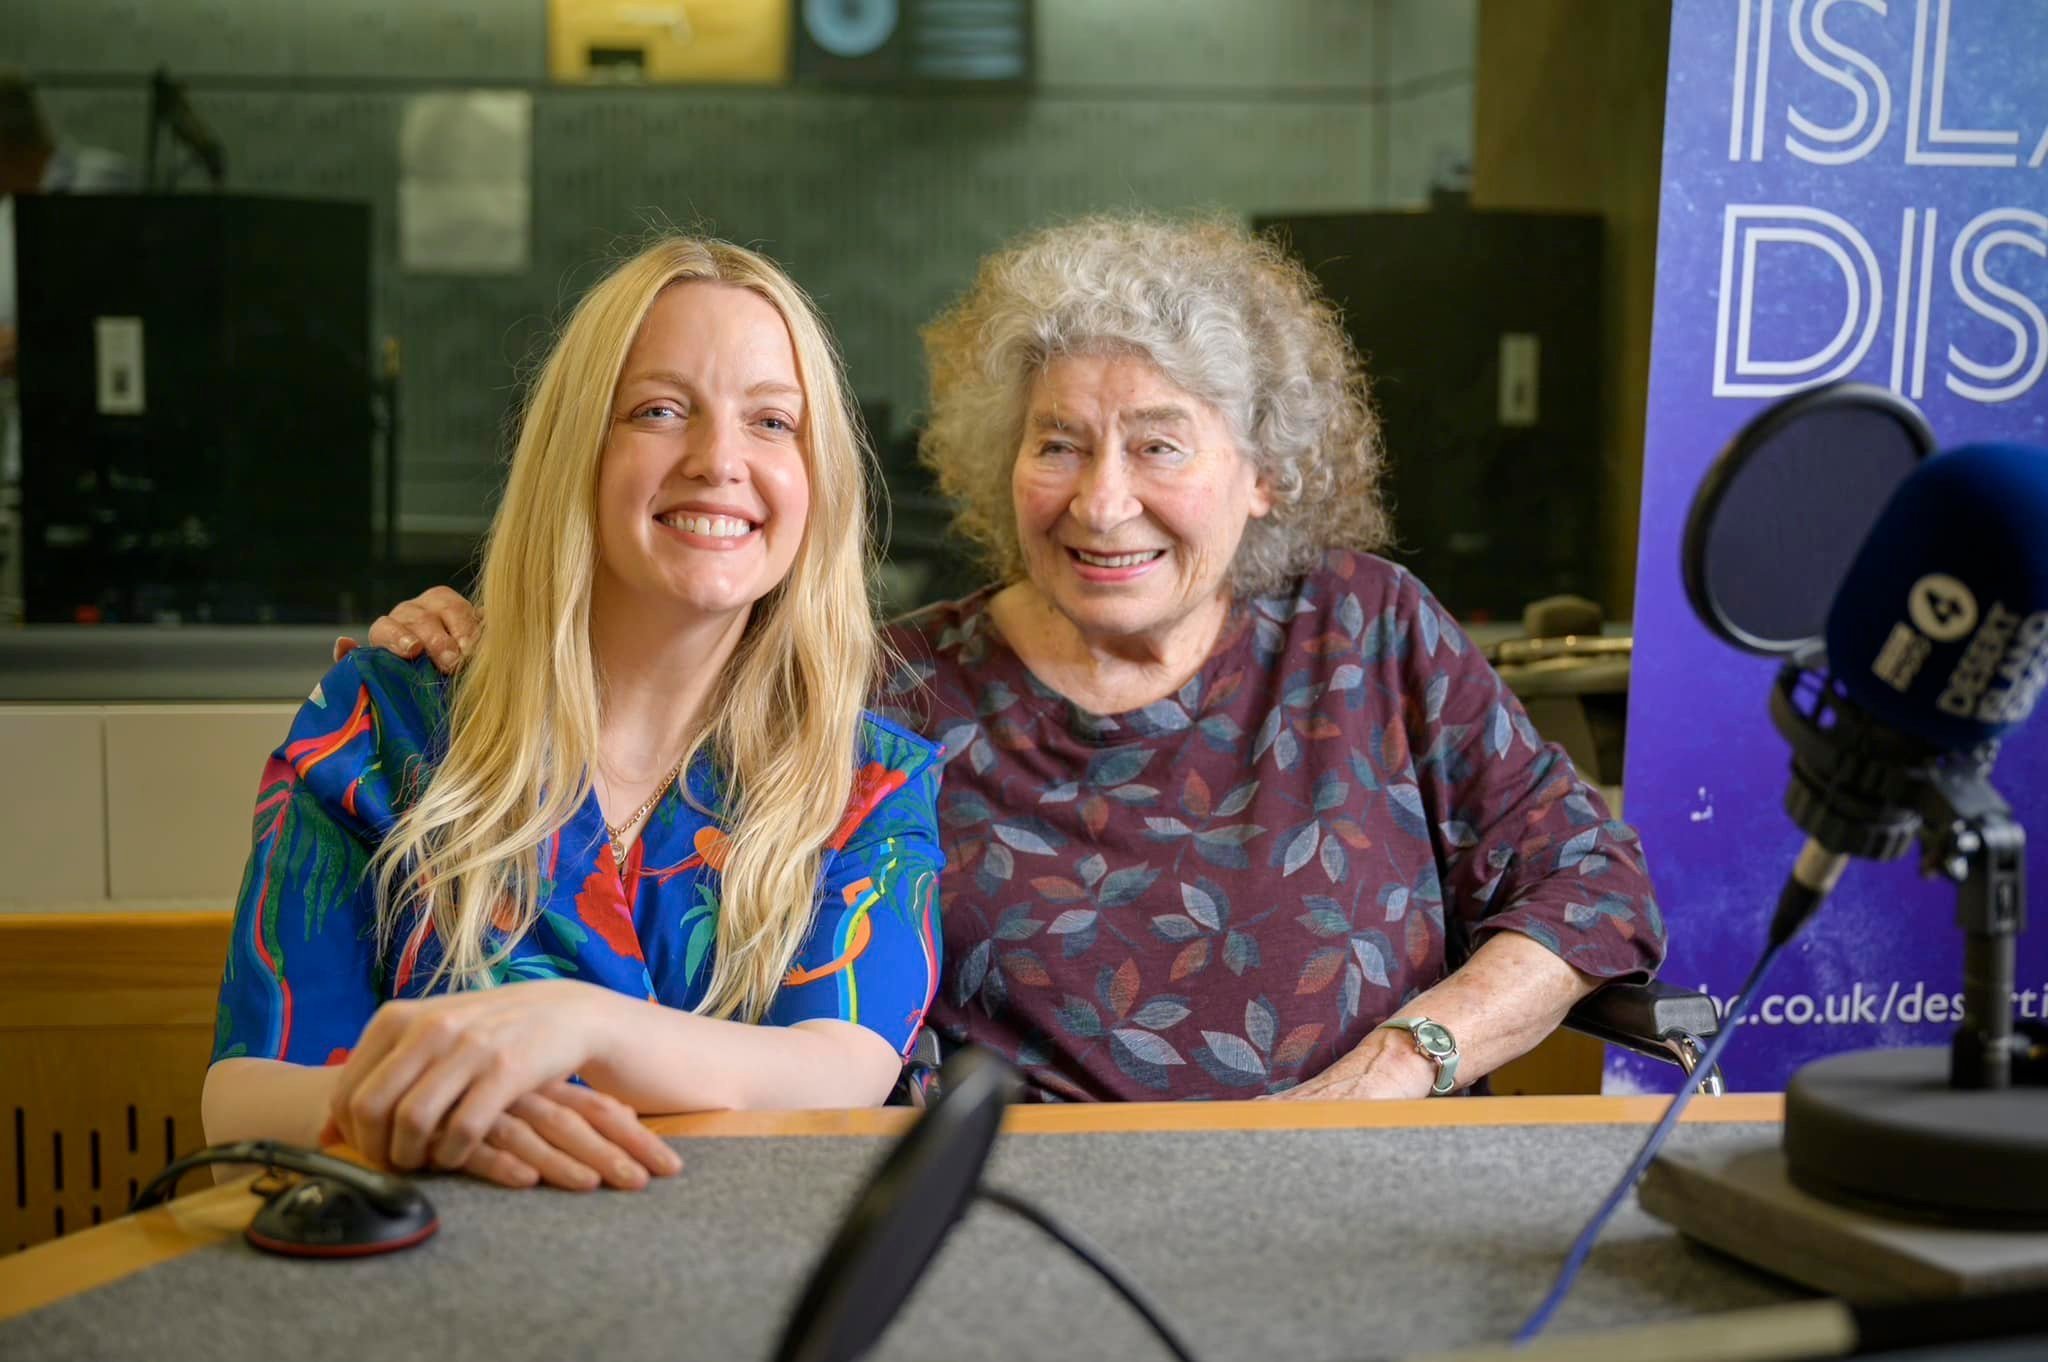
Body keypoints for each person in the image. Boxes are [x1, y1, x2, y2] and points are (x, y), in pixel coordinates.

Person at [358, 213, 1662, 1103]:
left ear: (1266, 471)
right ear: (1000, 462)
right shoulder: (881, 692)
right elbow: (661, 667)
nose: (1101, 502)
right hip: (1022, 1257)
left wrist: (1406, 1059)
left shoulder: (1368, 634)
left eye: (1159, 444)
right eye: (1056, 444)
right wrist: (484, 641)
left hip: (1364, 1220)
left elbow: (1587, 881)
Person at [205, 235, 944, 1191]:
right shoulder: (381, 725)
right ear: (575, 451)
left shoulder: (871, 781)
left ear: (819, 482)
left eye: (772, 422)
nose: (720, 459)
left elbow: (838, 1072)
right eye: (660, 410)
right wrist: (440, 1120)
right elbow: (243, 1096)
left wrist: (579, 1025)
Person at [0, 70, 135, 621]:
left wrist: (35, 343)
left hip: (83, 447)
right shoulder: (9, 210)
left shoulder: (95, 185)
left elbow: (118, 304)